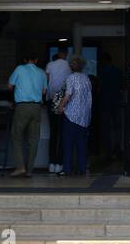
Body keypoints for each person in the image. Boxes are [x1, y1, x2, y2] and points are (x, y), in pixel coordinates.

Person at [7, 54, 47, 177]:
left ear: (25, 59)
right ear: (36, 60)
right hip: (36, 107)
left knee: (16, 136)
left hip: (22, 107)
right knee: (33, 139)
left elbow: (9, 85)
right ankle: (29, 171)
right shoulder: (42, 72)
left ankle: (20, 167)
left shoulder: (19, 68)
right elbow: (44, 91)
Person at [57, 55, 93, 177]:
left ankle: (67, 169)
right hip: (85, 116)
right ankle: (81, 169)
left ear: (71, 66)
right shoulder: (87, 78)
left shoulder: (71, 78)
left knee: (68, 143)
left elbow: (67, 96)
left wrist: (60, 107)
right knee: (82, 144)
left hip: (71, 115)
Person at [44, 46, 71, 175]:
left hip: (51, 98)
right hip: (64, 100)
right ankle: (60, 163)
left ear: (57, 54)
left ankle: (51, 163)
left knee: (53, 132)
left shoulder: (50, 64)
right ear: (66, 54)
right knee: (62, 132)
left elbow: (46, 81)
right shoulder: (69, 66)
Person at [96, 51, 124, 160]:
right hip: (116, 101)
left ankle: (108, 151)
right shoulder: (118, 71)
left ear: (104, 61)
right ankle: (117, 148)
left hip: (105, 102)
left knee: (106, 127)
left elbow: (99, 87)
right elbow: (123, 85)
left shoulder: (102, 72)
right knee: (117, 127)